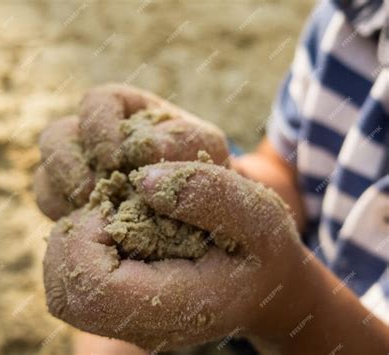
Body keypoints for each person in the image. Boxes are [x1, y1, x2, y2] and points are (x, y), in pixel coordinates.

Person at [70, 0, 389, 353]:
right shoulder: (351, 17)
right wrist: (227, 183)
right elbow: (286, 169)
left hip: (334, 328)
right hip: (294, 259)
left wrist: (287, 301)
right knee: (122, 260)